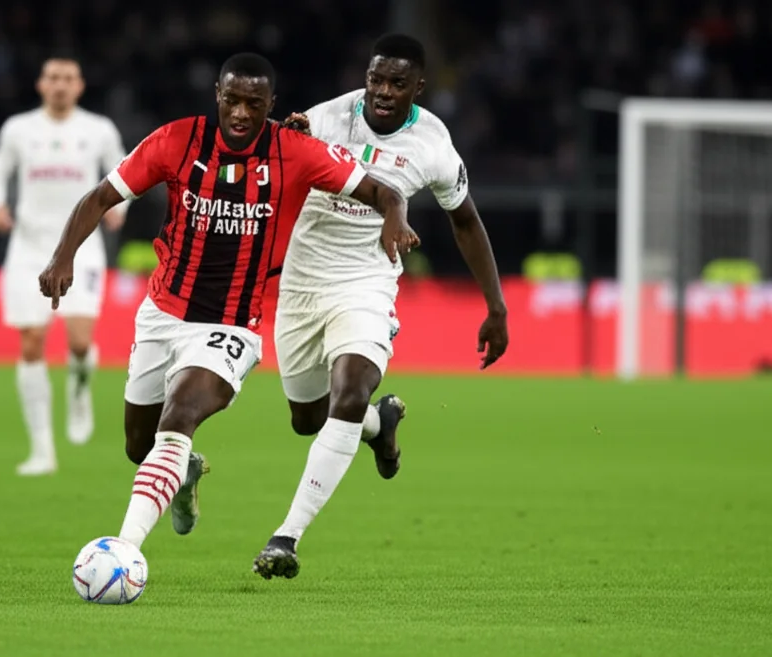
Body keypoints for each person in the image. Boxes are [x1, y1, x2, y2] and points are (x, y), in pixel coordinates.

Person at [38, 53, 419, 550]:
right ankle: (183, 472)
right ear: (217, 95)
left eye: (253, 104)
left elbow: (384, 192)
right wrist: (62, 256)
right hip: (162, 313)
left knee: (179, 415)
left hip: (232, 324)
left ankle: (124, 550)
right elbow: (100, 198)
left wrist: (395, 217)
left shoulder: (296, 152)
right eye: (232, 100)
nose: (241, 113)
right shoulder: (175, 141)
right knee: (139, 445)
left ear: (271, 105)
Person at [252, 34, 510, 580]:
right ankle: (379, 424)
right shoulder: (327, 117)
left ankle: (286, 537)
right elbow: (272, 162)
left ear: (419, 87)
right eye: (376, 80)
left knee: (349, 391)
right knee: (307, 418)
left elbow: (465, 221)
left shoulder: (433, 144)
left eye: (397, 83)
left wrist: (497, 307)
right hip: (301, 284)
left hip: (366, 283)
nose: (384, 92)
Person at [0, 57, 129, 476]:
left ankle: (79, 388)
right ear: (40, 84)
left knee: (80, 342)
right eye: (53, 78)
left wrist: (119, 208)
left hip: (82, 245)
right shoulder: (18, 129)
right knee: (31, 341)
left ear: (79, 86)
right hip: (29, 246)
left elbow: (124, 172)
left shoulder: (98, 129)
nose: (60, 85)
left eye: (67, 78)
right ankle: (42, 450)